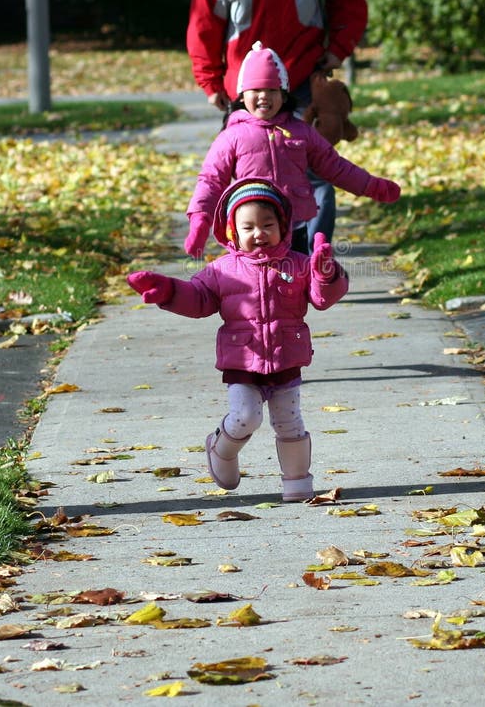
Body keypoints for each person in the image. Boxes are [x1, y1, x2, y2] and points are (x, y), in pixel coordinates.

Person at [186, 0, 368, 250]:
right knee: (245, 179)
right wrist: (209, 81)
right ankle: (255, 261)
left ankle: (312, 261)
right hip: (243, 90)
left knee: (315, 174)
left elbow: (351, 1)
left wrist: (337, 50)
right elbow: (204, 25)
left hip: (303, 78)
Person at [127, 178, 349, 502]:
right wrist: (170, 291)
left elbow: (321, 297)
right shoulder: (222, 271)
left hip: (286, 357)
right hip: (243, 358)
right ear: (233, 232)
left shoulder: (297, 264)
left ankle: (297, 481)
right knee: (247, 416)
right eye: (248, 227)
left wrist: (327, 273)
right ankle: (222, 449)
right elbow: (199, 297)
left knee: (289, 422)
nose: (259, 233)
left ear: (283, 226)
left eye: (267, 224)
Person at [183, 41, 400, 257]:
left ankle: (316, 287)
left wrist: (371, 186)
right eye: (256, 89)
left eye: (272, 90)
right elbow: (211, 179)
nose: (264, 96)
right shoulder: (231, 136)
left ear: (284, 95)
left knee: (296, 283)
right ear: (242, 95)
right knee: (255, 285)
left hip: (293, 227)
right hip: (252, 230)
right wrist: (200, 218)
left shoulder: (301, 131)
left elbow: (335, 166)